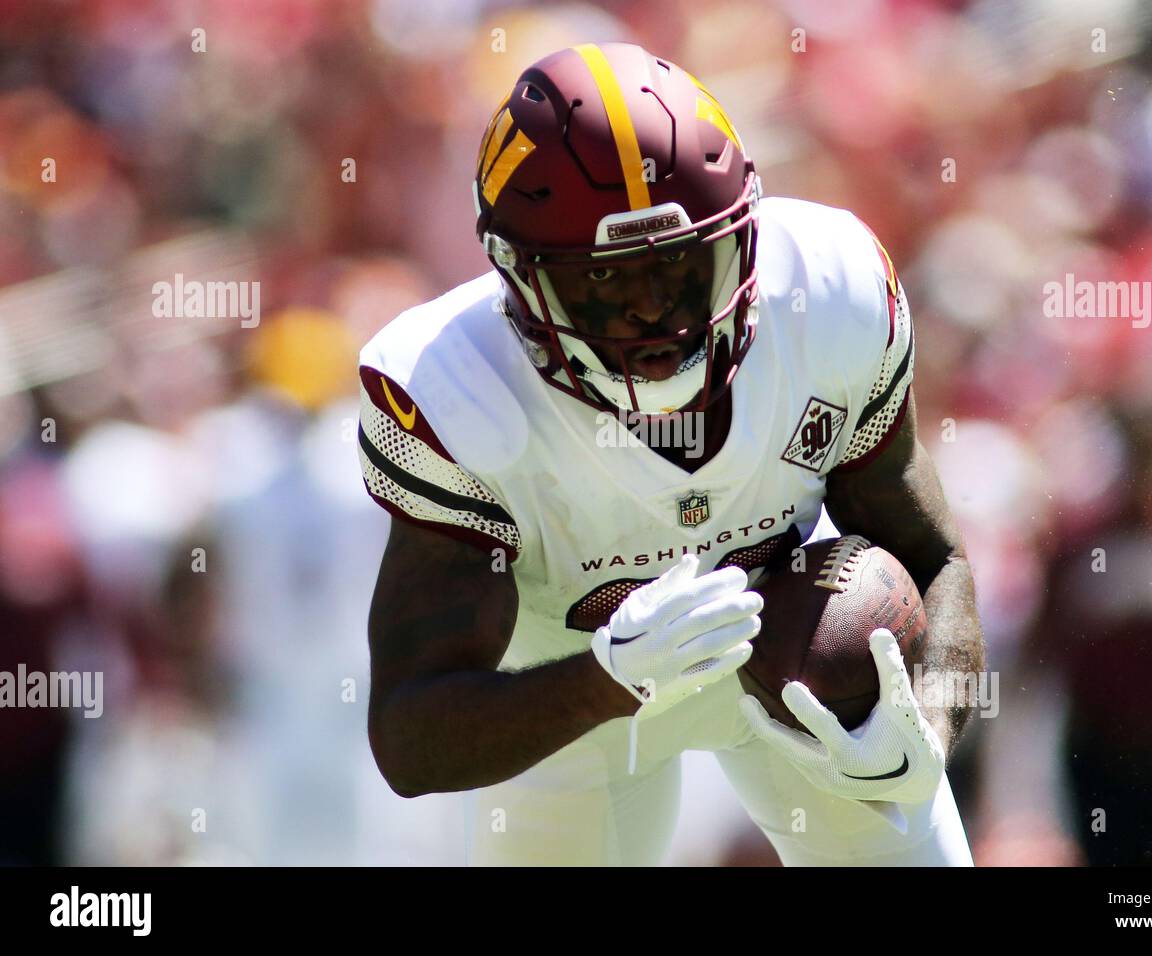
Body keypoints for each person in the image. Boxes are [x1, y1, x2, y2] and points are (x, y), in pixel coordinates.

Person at [357, 42, 982, 865]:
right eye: (608, 283)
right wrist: (605, 680)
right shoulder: (454, 391)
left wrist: (927, 723)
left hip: (802, 682)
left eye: (684, 267)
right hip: (566, 707)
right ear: (520, 279)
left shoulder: (831, 292)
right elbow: (410, 737)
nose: (656, 311)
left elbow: (934, 558)